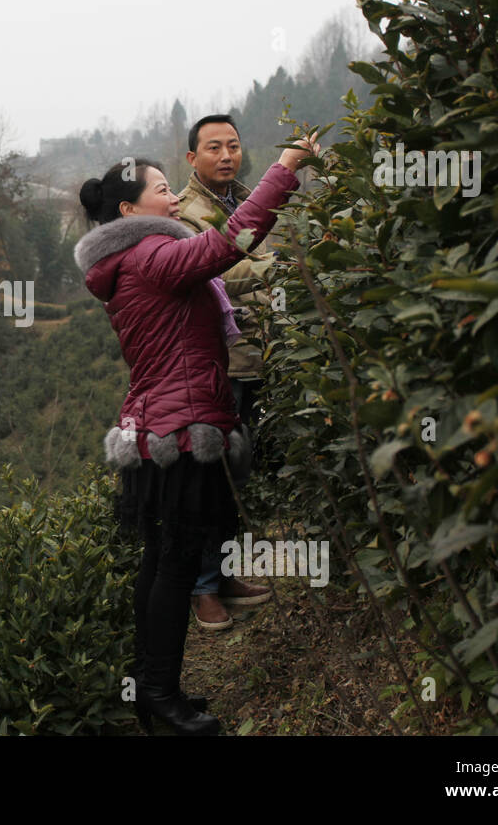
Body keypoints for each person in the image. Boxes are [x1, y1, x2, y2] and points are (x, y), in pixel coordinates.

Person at [74, 136, 317, 735]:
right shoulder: (150, 257)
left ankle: (156, 692)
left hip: (159, 421)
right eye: (163, 189)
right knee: (174, 564)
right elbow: (230, 242)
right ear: (130, 212)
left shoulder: (134, 258)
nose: (175, 195)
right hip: (180, 429)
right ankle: (160, 697)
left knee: (162, 563)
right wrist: (284, 169)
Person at [175, 115, 276, 629]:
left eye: (233, 145)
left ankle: (225, 572)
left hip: (254, 354)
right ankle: (202, 588)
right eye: (213, 147)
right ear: (192, 158)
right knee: (208, 478)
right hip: (220, 362)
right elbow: (218, 268)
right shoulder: (187, 213)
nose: (226, 155)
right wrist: (274, 266)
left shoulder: (237, 202)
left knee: (235, 473)